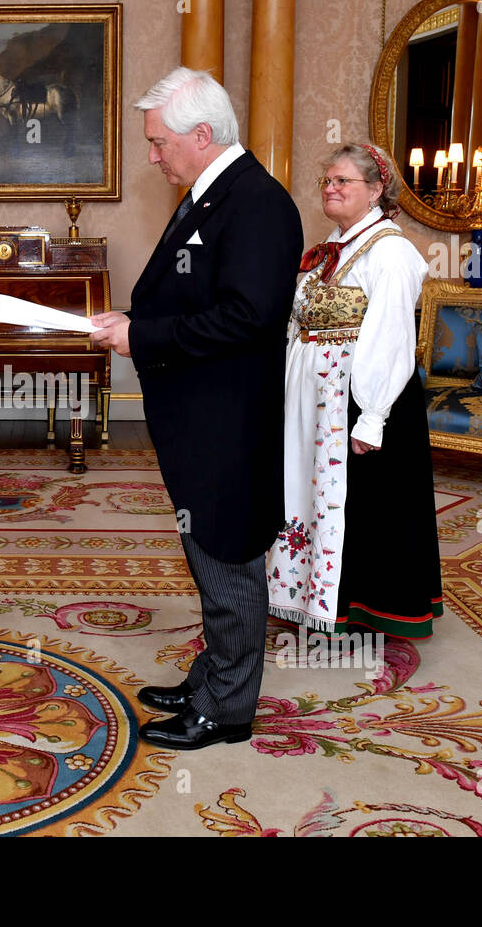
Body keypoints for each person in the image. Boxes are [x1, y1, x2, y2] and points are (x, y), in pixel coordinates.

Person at [90, 67, 302, 751]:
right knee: (208, 555)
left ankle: (229, 709)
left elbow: (249, 316)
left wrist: (143, 335)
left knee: (228, 558)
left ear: (201, 135)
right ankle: (213, 677)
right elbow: (197, 299)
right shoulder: (218, 194)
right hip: (202, 417)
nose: (152, 155)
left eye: (158, 142)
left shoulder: (257, 204)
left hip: (228, 423)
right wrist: (133, 319)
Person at [267, 142, 442, 638]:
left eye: (343, 181)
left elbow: (390, 338)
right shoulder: (334, 246)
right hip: (312, 398)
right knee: (304, 490)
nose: (331, 188)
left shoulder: (390, 253)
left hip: (358, 401)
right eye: (327, 180)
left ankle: (358, 608)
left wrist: (371, 416)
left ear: (376, 189)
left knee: (360, 504)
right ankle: (307, 596)